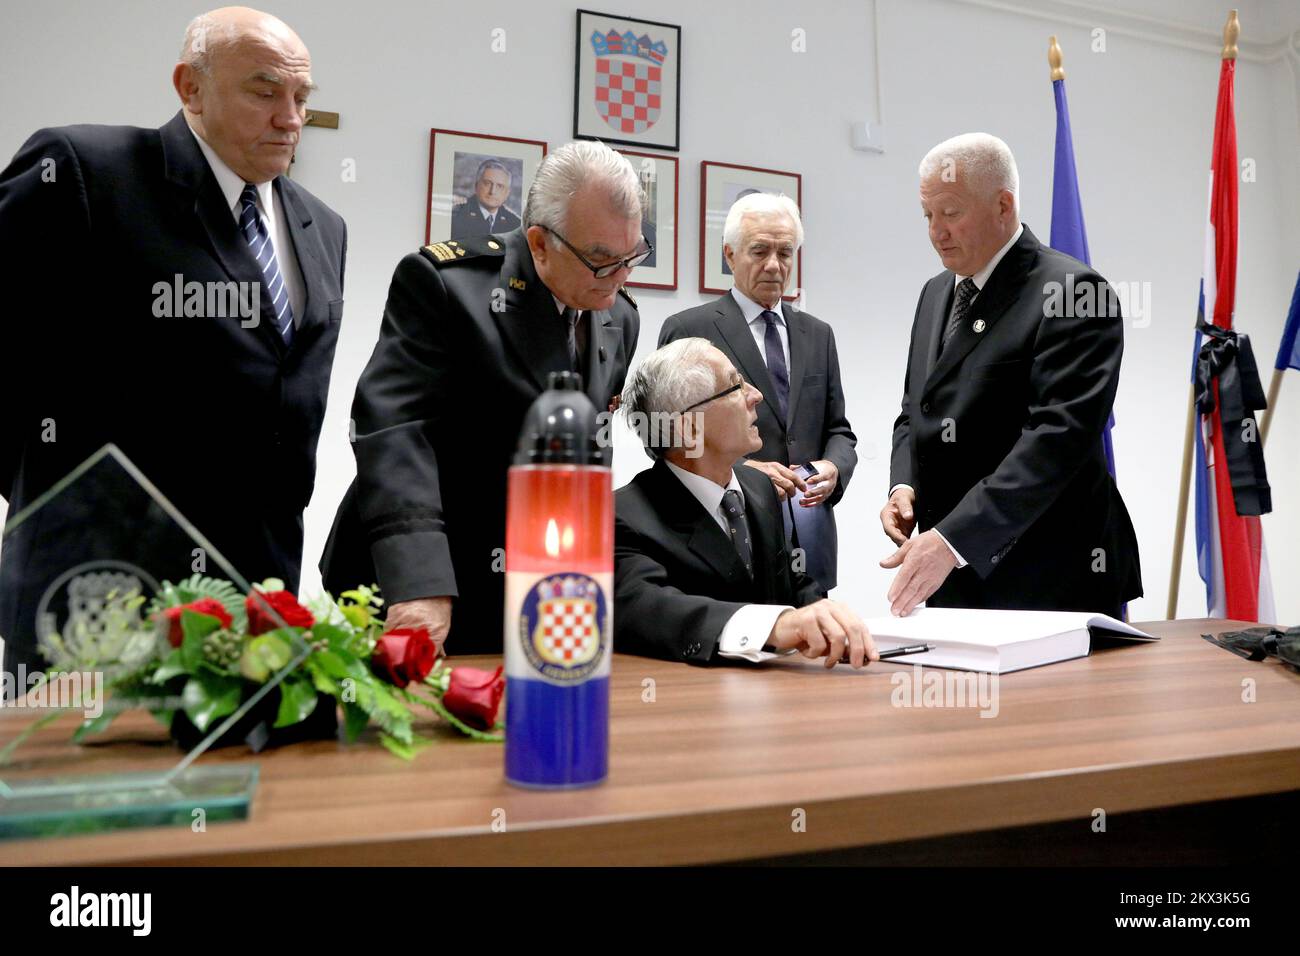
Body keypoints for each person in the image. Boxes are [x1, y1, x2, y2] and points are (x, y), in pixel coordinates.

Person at [0, 6, 346, 677]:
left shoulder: (321, 228)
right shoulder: (86, 174)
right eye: (265, 91)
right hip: (94, 601)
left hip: (255, 604)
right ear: (190, 86)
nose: (291, 119)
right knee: (83, 783)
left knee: (252, 785)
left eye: (301, 97)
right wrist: (53, 507)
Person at [321, 141, 646, 655]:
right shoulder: (449, 286)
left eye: (633, 256)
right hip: (429, 579)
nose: (622, 276)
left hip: (533, 591)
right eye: (602, 260)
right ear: (539, 243)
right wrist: (420, 582)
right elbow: (394, 432)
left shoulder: (618, 316)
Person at [882, 132, 1141, 618]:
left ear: (1003, 205)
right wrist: (904, 485)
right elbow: (916, 409)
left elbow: (1055, 441)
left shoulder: (1075, 293)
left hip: (1047, 575)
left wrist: (953, 540)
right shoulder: (935, 293)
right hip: (952, 575)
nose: (936, 231)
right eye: (927, 215)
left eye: (951, 212)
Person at [615, 338, 877, 668]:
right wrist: (775, 625)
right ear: (688, 426)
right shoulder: (624, 517)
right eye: (735, 386)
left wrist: (829, 619)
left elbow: (795, 587)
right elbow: (649, 610)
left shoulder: (759, 488)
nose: (756, 396)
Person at [659, 193, 856, 593]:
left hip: (809, 535)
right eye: (760, 251)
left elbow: (840, 430)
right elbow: (663, 437)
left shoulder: (818, 335)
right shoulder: (690, 329)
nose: (774, 265)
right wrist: (741, 471)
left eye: (785, 252)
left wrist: (834, 468)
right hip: (729, 533)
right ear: (730, 256)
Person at [450, 158, 521, 238]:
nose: (492, 191)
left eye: (500, 186)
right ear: (476, 186)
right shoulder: (455, 215)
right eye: (487, 183)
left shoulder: (516, 224)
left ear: (507, 193)